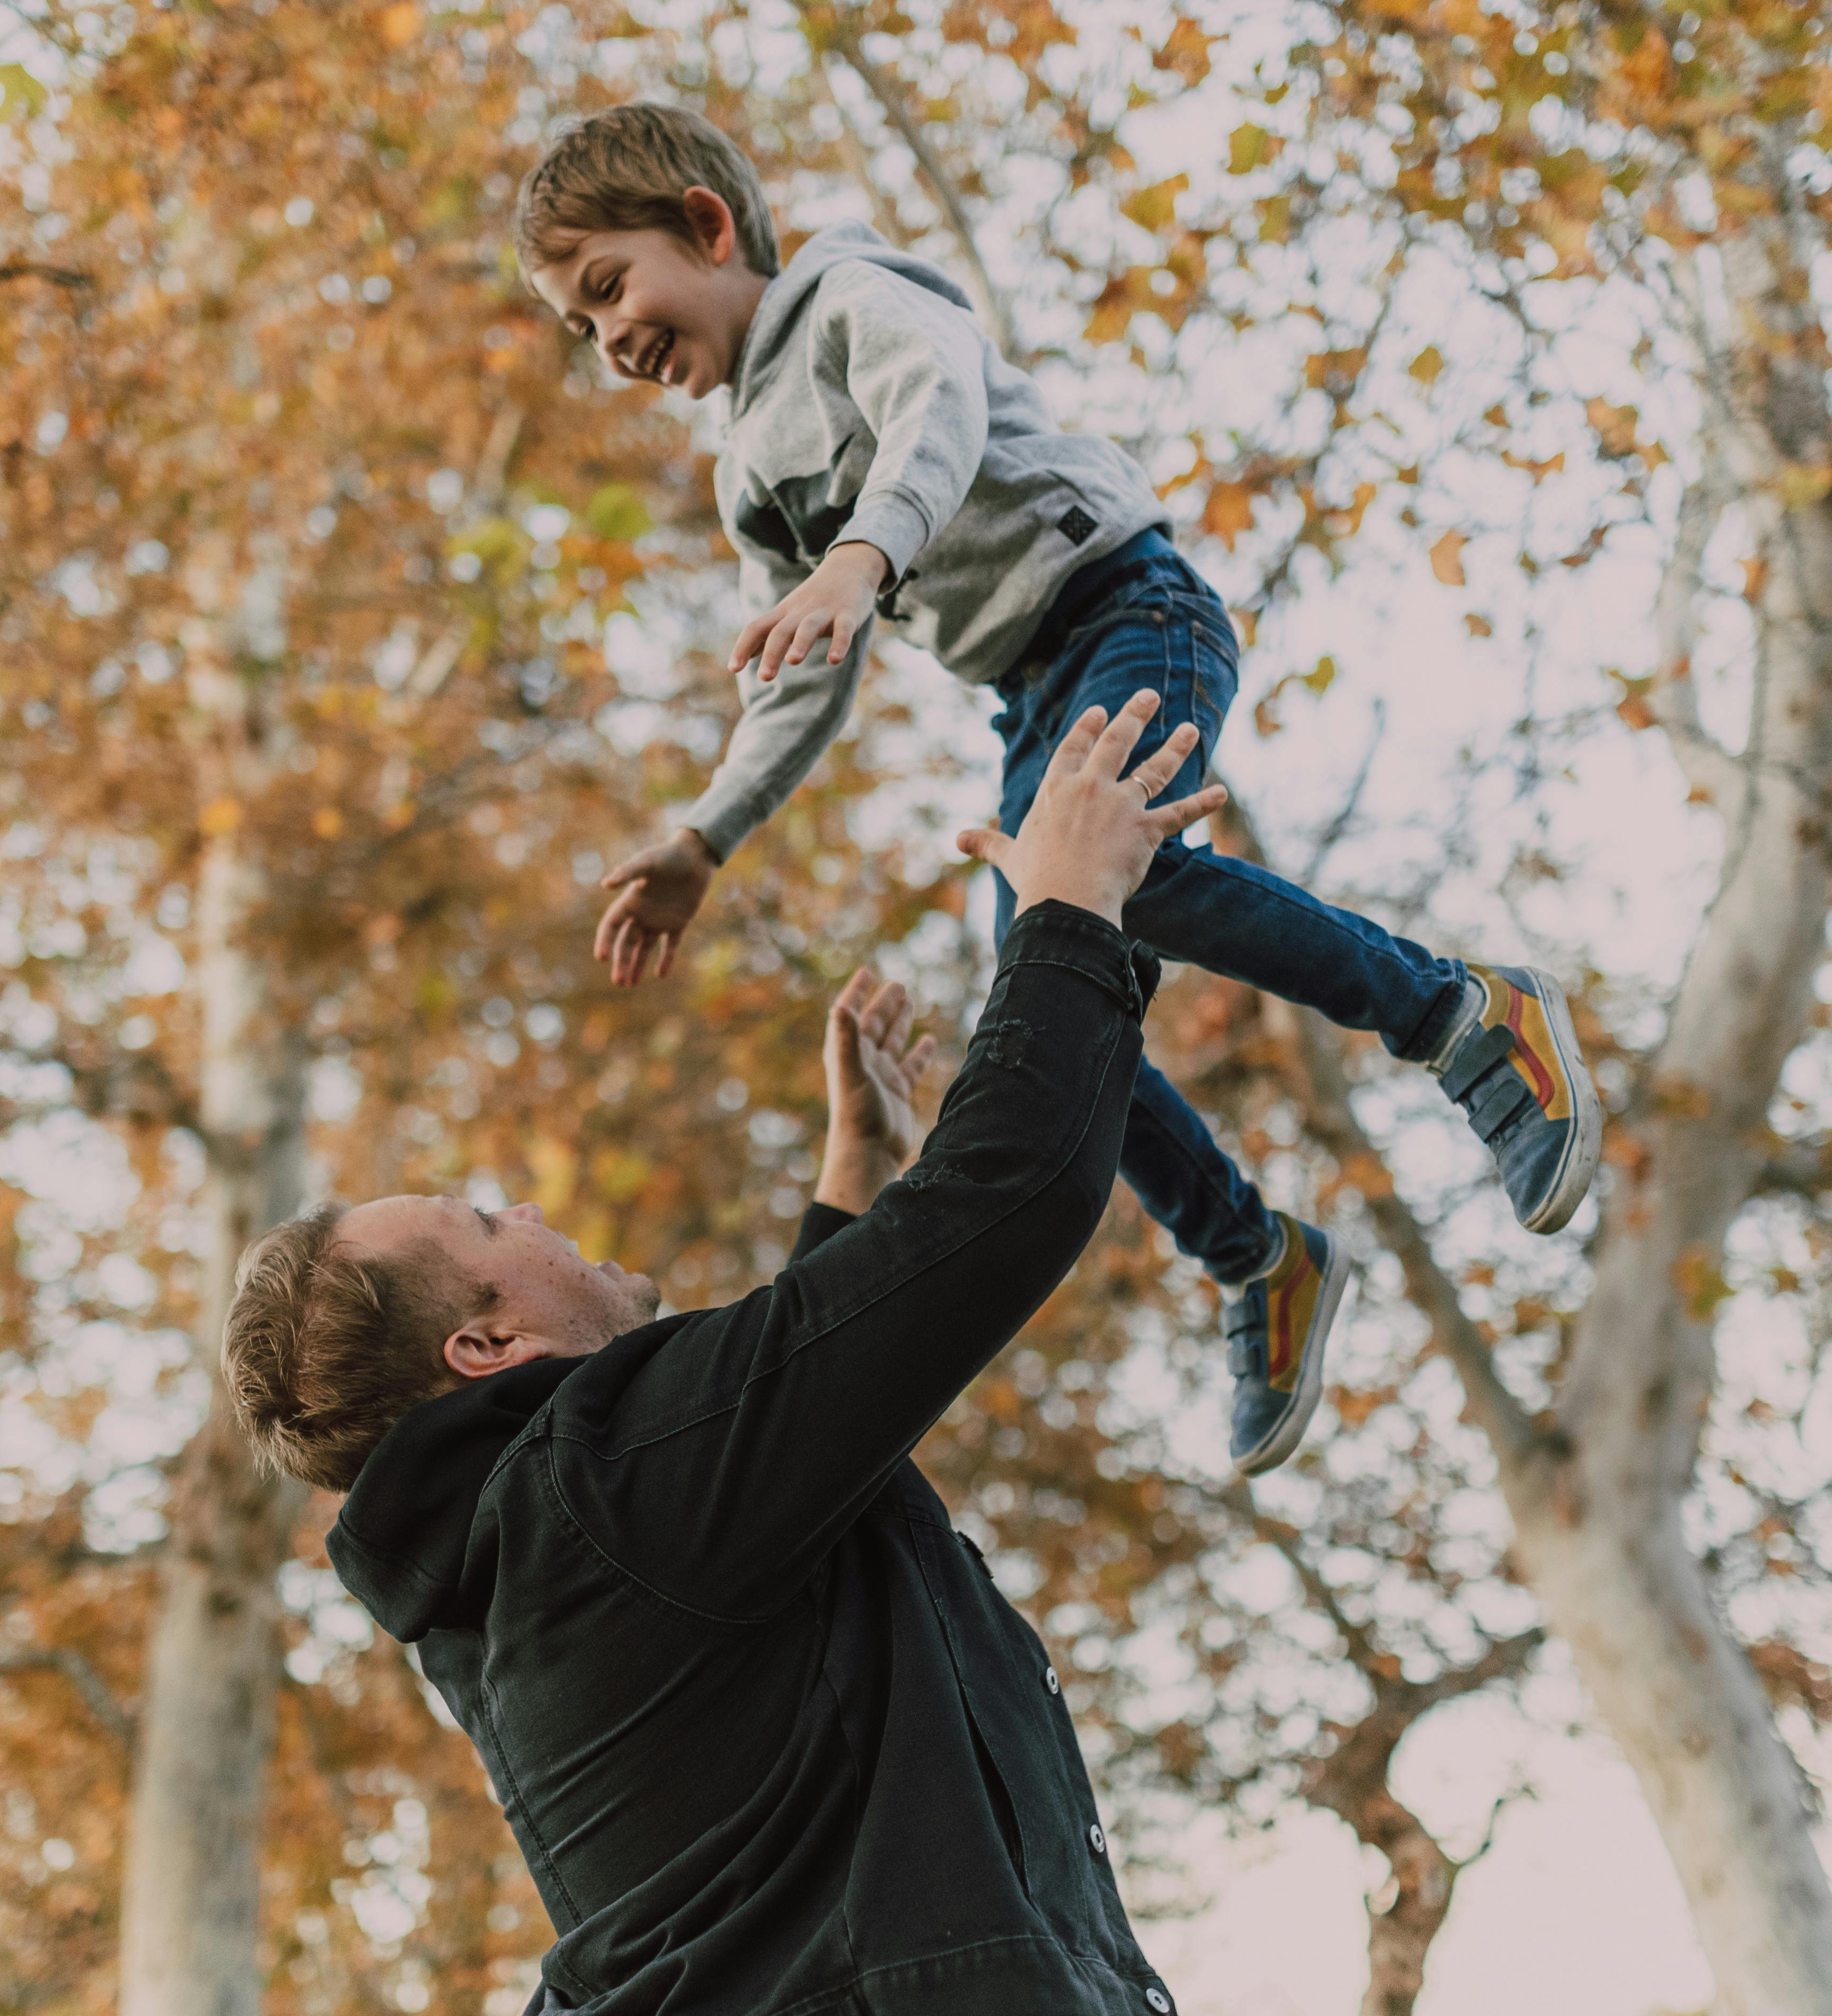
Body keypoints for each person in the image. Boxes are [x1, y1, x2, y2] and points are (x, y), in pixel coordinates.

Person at [515, 103, 1600, 1475]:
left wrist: (863, 556)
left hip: (1125, 610)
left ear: (706, 225)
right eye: (576, 324)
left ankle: (1459, 1013)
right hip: (1031, 698)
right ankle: (1254, 1255)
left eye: (608, 286)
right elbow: (795, 678)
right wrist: (701, 837)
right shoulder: (745, 473)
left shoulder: (852, 300)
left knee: (1110, 884)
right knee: (1048, 987)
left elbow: (940, 408)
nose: (607, 337)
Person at [224, 691, 1211, 2015]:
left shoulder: (553, 1553)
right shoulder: (597, 1491)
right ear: (486, 1343)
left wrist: (853, 1182)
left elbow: (783, 1472)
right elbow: (998, 1206)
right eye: (479, 1221)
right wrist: (1069, 912)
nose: (521, 1206)